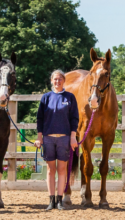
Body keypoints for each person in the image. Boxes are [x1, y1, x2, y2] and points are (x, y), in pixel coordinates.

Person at [35, 70, 79, 211]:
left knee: (61, 170)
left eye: (60, 79)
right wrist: (39, 138)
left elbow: (74, 119)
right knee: (50, 169)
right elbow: (40, 119)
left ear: (63, 81)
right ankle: (51, 200)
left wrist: (73, 137)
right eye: (55, 79)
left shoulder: (70, 97)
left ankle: (60, 200)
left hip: (64, 138)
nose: (57, 81)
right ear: (51, 81)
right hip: (48, 138)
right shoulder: (46, 98)